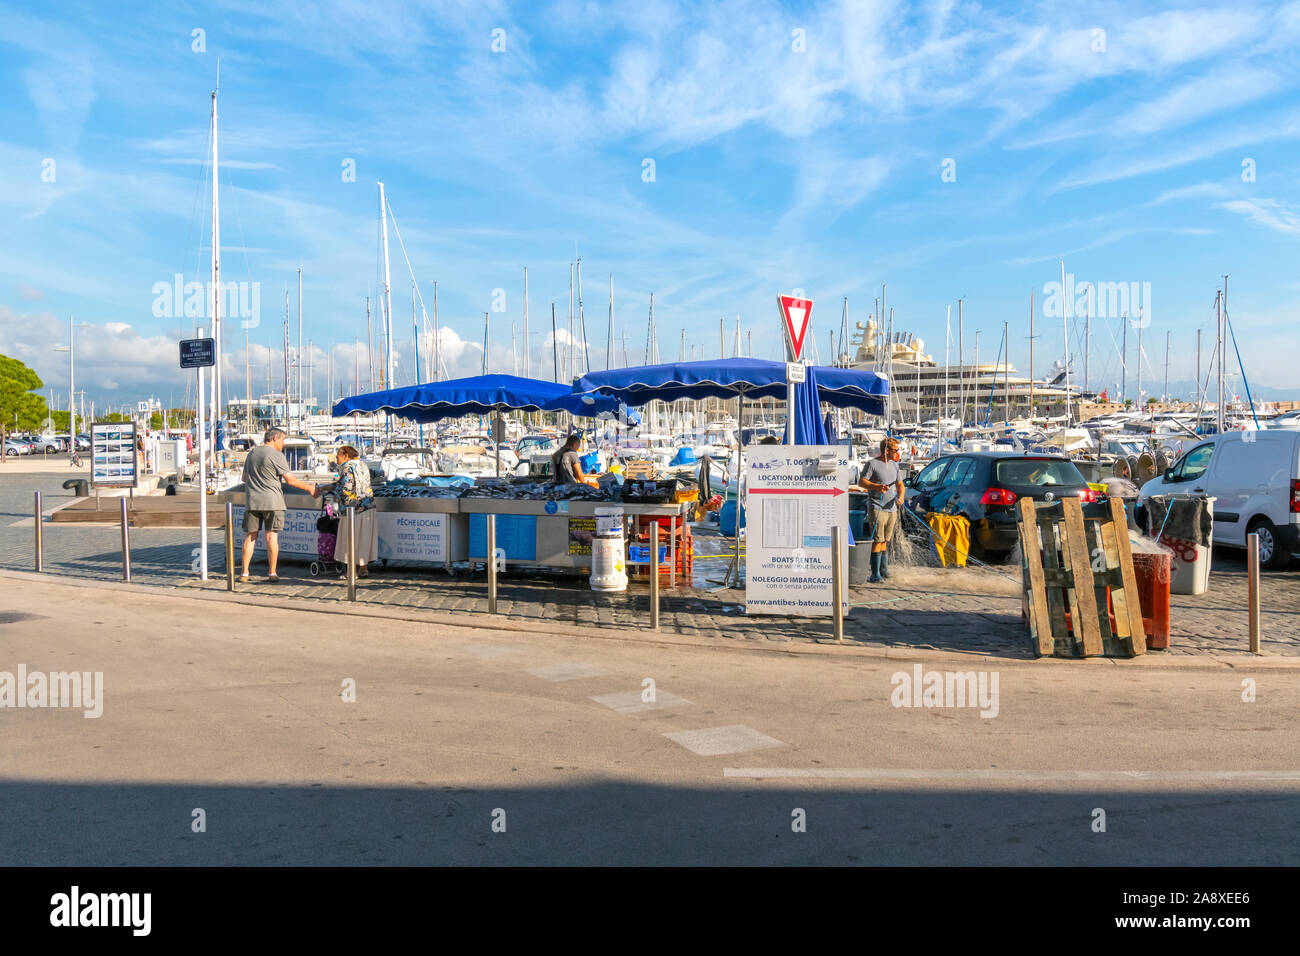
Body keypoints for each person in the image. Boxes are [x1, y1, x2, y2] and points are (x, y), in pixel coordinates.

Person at [239, 427, 317, 583]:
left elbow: (244, 478)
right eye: (283, 439)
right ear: (275, 438)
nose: (284, 443)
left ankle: (244, 573)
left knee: (250, 536)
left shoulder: (252, 453)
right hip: (273, 501)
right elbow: (290, 480)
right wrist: (310, 488)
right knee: (271, 536)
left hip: (252, 501)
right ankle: (272, 572)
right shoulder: (276, 455)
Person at [316, 445, 378, 579]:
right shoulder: (362, 465)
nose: (336, 457)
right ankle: (363, 569)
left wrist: (331, 494)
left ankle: (351, 572)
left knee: (350, 540)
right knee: (364, 539)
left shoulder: (346, 467)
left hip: (352, 510)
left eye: (338, 455)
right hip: (368, 506)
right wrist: (327, 487)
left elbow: (345, 490)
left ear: (346, 456)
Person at [857, 436, 905, 583]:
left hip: (892, 508)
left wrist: (901, 497)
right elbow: (861, 482)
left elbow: (900, 485)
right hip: (877, 507)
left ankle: (884, 571)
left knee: (885, 540)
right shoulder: (872, 464)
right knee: (878, 540)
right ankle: (875, 574)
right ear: (886, 450)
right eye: (895, 450)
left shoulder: (895, 465)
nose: (898, 453)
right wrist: (877, 487)